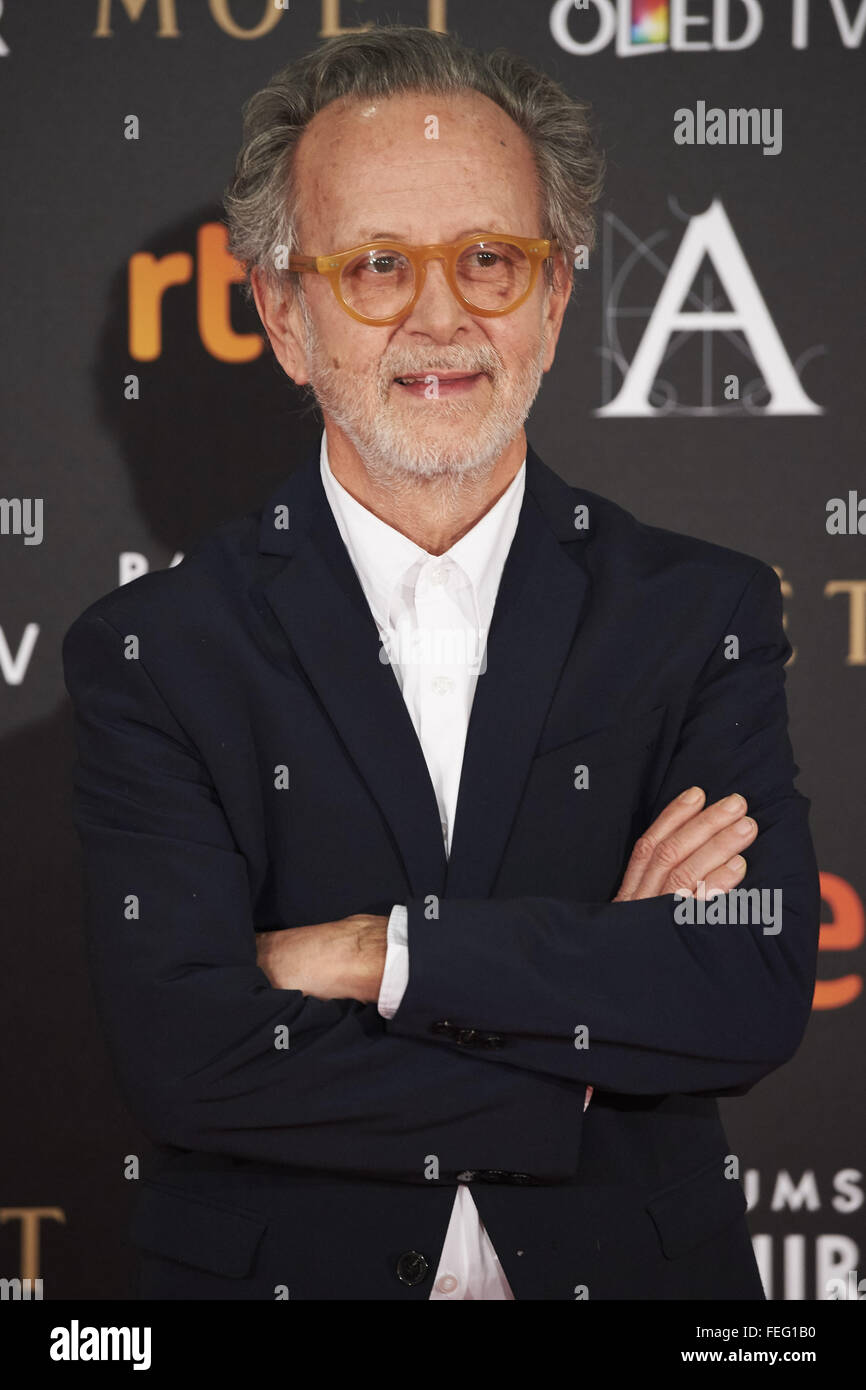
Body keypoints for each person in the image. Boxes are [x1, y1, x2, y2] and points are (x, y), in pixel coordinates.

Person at [62, 24, 820, 1300]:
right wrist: (589, 1035)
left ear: (556, 296)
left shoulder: (700, 611)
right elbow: (188, 1055)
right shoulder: (154, 653)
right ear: (283, 314)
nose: (439, 315)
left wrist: (375, 953)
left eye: (487, 259)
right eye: (372, 265)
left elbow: (744, 988)